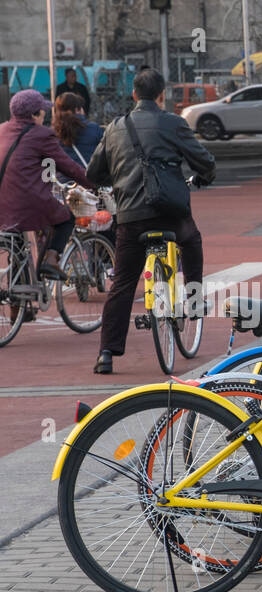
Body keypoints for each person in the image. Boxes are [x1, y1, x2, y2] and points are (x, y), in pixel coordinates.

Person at [85, 68, 216, 373]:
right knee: (191, 240)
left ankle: (106, 353)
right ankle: (194, 302)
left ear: (134, 94)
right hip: (170, 214)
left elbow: (94, 173)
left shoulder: (115, 127)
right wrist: (204, 176)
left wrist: (118, 181)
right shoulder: (173, 123)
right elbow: (204, 161)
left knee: (123, 282)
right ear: (162, 95)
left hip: (130, 216)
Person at [0, 90, 96, 281]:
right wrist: (93, 183)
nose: (45, 115)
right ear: (35, 115)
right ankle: (51, 260)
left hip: (3, 201)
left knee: (17, 246)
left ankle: (18, 307)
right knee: (66, 218)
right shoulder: (41, 134)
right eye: (42, 111)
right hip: (27, 201)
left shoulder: (1, 129)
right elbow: (68, 166)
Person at [52, 92, 103, 167]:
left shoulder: (52, 133)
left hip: (61, 178)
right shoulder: (93, 128)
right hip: (86, 175)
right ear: (77, 110)